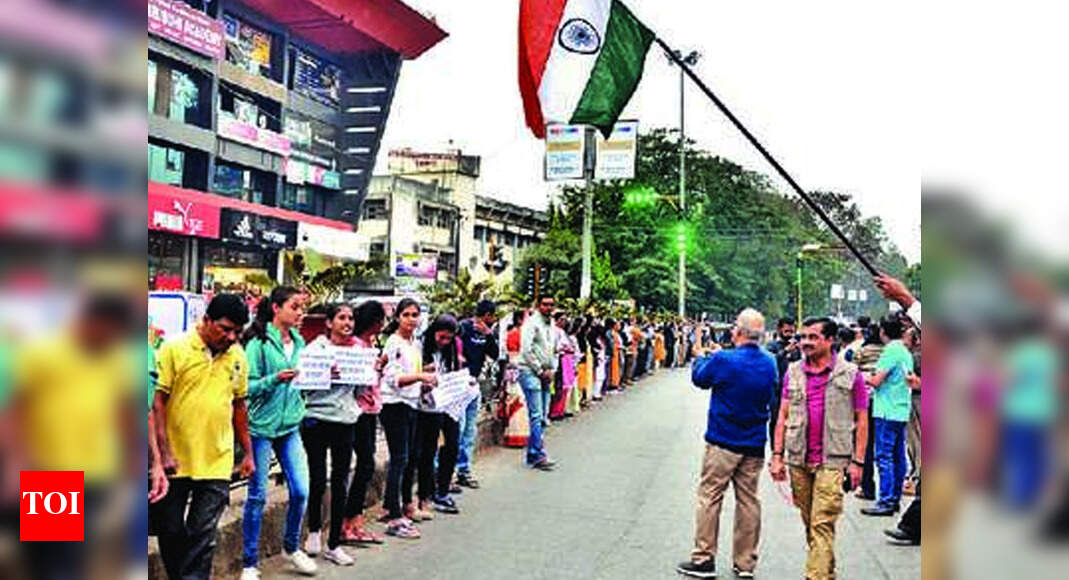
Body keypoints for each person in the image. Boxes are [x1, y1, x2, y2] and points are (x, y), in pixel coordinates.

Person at [153, 293, 254, 580]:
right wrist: (163, 453)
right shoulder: (175, 348)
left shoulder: (237, 356)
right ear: (207, 320)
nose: (232, 337)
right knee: (170, 529)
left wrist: (247, 453)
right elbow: (156, 402)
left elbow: (239, 405)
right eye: (225, 329)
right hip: (176, 459)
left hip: (217, 459)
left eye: (237, 331)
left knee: (203, 533)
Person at [676, 309, 778, 579]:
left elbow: (700, 379)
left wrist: (700, 357)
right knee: (748, 502)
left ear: (740, 332)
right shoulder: (770, 362)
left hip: (723, 439)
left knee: (710, 497)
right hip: (754, 441)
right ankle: (745, 562)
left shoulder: (724, 359)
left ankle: (703, 557)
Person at [770, 317, 869, 580]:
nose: (805, 342)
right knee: (810, 522)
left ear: (830, 340)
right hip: (798, 458)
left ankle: (816, 576)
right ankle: (827, 571)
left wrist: (858, 462)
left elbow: (862, 420)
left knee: (822, 521)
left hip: (833, 460)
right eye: (803, 337)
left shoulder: (851, 374)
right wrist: (777, 456)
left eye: (813, 337)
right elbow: (782, 415)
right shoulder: (792, 372)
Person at [240, 286, 316, 578]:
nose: (300, 313)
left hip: (290, 424)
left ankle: (291, 546)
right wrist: (274, 379)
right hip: (260, 426)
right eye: (295, 307)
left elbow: (305, 380)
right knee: (257, 496)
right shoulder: (258, 342)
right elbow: (245, 386)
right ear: (276, 308)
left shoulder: (298, 341)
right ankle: (249, 562)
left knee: (301, 490)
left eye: (302, 308)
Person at [300, 303, 361, 567]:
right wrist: (325, 374)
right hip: (316, 418)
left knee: (340, 480)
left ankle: (334, 543)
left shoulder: (359, 352)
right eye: (342, 318)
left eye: (351, 319)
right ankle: (314, 531)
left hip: (345, 419)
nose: (347, 323)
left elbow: (361, 388)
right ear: (329, 322)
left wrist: (371, 373)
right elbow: (302, 384)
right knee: (316, 476)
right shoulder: (315, 349)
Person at [379, 298, 436, 539]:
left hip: (411, 403)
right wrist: (420, 377)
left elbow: (412, 375)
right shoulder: (394, 342)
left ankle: (402, 504)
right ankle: (393, 515)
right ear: (398, 317)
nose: (412, 319)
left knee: (409, 456)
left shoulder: (415, 343)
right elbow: (394, 378)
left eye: (415, 315)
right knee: (399, 458)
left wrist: (426, 380)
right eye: (407, 315)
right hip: (394, 404)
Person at [340, 300, 387, 545]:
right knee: (364, 464)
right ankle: (349, 521)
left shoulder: (369, 344)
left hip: (370, 408)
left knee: (366, 464)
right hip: (359, 410)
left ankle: (354, 521)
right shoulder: (357, 346)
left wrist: (378, 368)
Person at [860, 317, 914, 517]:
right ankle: (894, 497)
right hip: (900, 409)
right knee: (898, 456)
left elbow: (876, 380)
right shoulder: (904, 351)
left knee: (883, 456)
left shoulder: (890, 351)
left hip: (886, 409)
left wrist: (863, 376)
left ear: (883, 332)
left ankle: (886, 500)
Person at [412, 314, 463, 516]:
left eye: (448, 339)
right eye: (441, 337)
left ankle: (442, 490)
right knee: (426, 451)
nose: (443, 342)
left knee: (451, 445)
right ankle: (425, 495)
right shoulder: (419, 347)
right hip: (425, 408)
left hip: (447, 405)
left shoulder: (449, 352)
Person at [456, 300, 499, 489]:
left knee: (470, 430)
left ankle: (464, 470)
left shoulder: (487, 333)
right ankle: (445, 472)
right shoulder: (463, 328)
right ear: (487, 315)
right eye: (492, 316)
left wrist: (489, 336)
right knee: (458, 428)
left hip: (474, 383)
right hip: (458, 382)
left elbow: (495, 354)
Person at [516, 296, 557, 471]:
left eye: (551, 305)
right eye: (545, 304)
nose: (548, 307)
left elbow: (552, 349)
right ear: (538, 305)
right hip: (530, 371)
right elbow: (526, 350)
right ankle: (538, 454)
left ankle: (533, 453)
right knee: (536, 415)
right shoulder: (531, 323)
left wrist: (552, 369)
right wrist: (540, 370)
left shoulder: (551, 324)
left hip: (546, 372)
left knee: (542, 415)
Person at [854, 325, 886, 501]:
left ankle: (867, 486)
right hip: (884, 403)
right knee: (884, 447)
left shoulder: (862, 351)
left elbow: (853, 373)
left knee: (865, 444)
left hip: (865, 401)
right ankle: (888, 491)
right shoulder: (888, 352)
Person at [765, 317, 800, 448]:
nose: (790, 334)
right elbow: (769, 362)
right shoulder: (772, 346)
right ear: (779, 330)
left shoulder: (798, 347)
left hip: (795, 389)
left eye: (792, 331)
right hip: (777, 389)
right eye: (786, 331)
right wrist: (785, 351)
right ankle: (775, 449)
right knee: (775, 419)